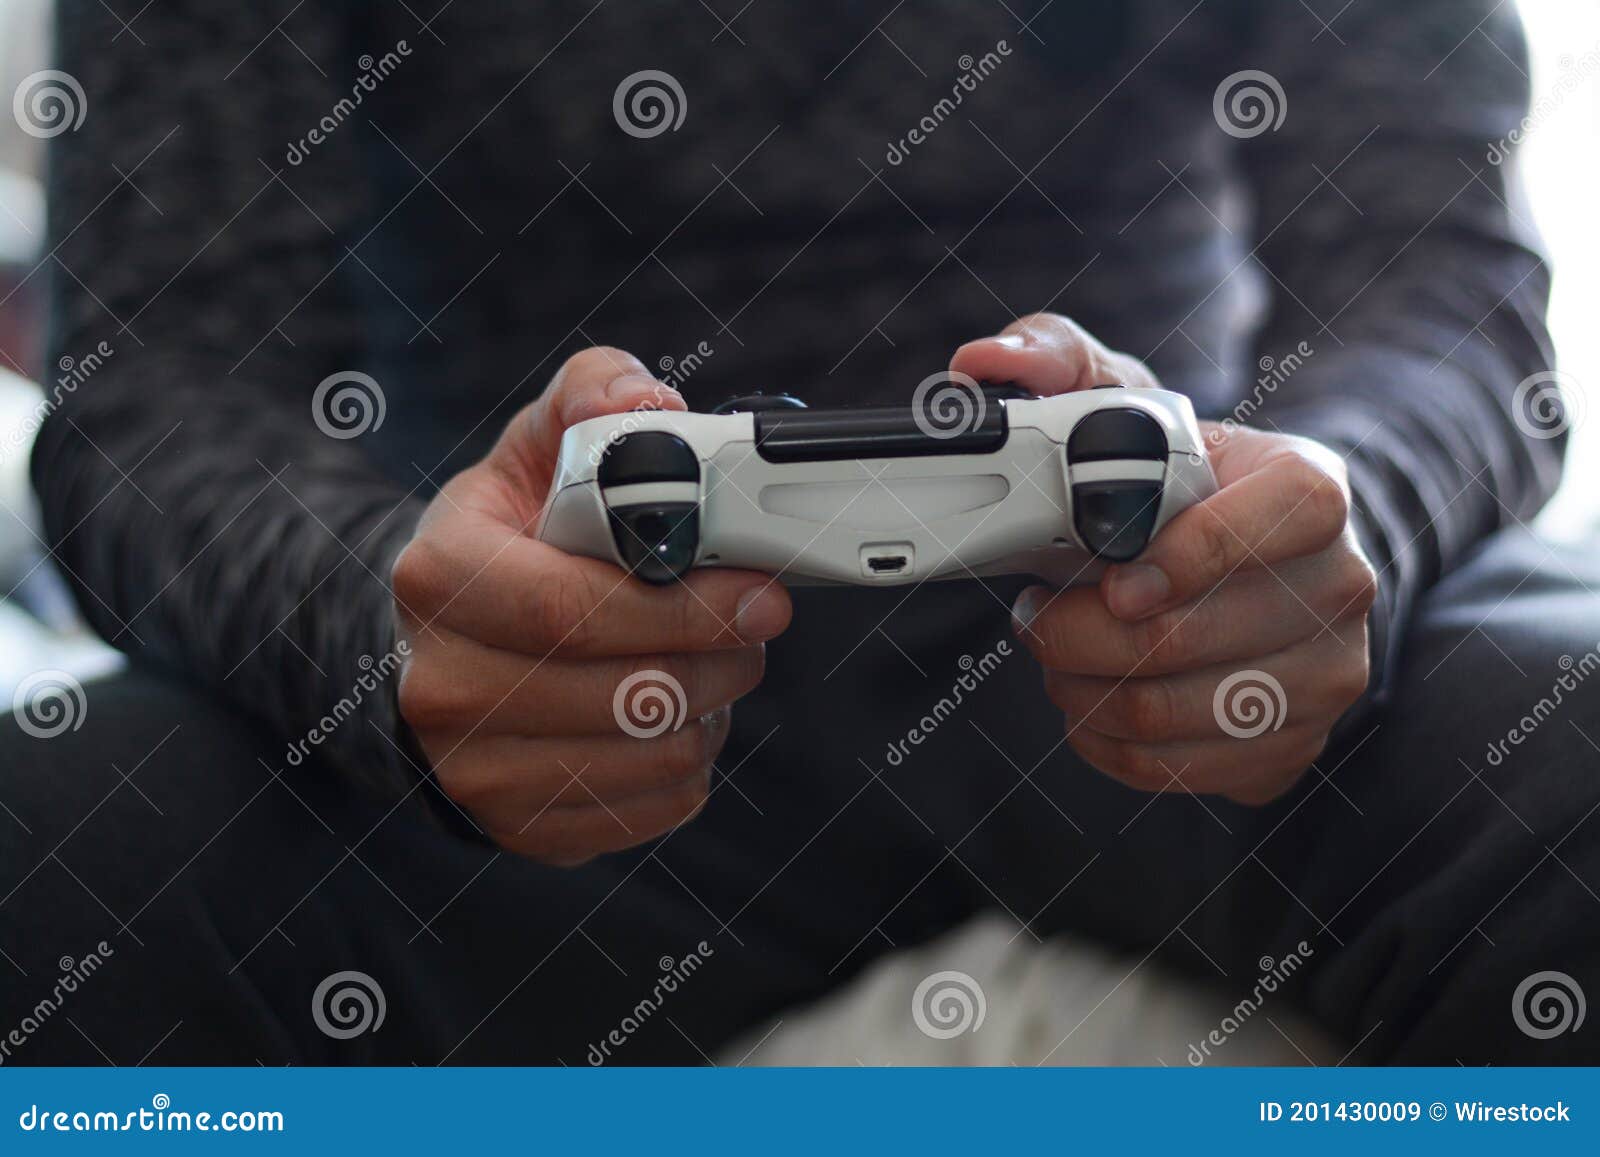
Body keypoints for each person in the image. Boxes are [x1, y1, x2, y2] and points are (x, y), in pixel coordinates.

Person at [3, 0, 1595, 1064]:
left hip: (1144, 629)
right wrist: (387, 625)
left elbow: (1443, 283)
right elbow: (155, 378)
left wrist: (1309, 519)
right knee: (55, 850)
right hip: (537, 678)